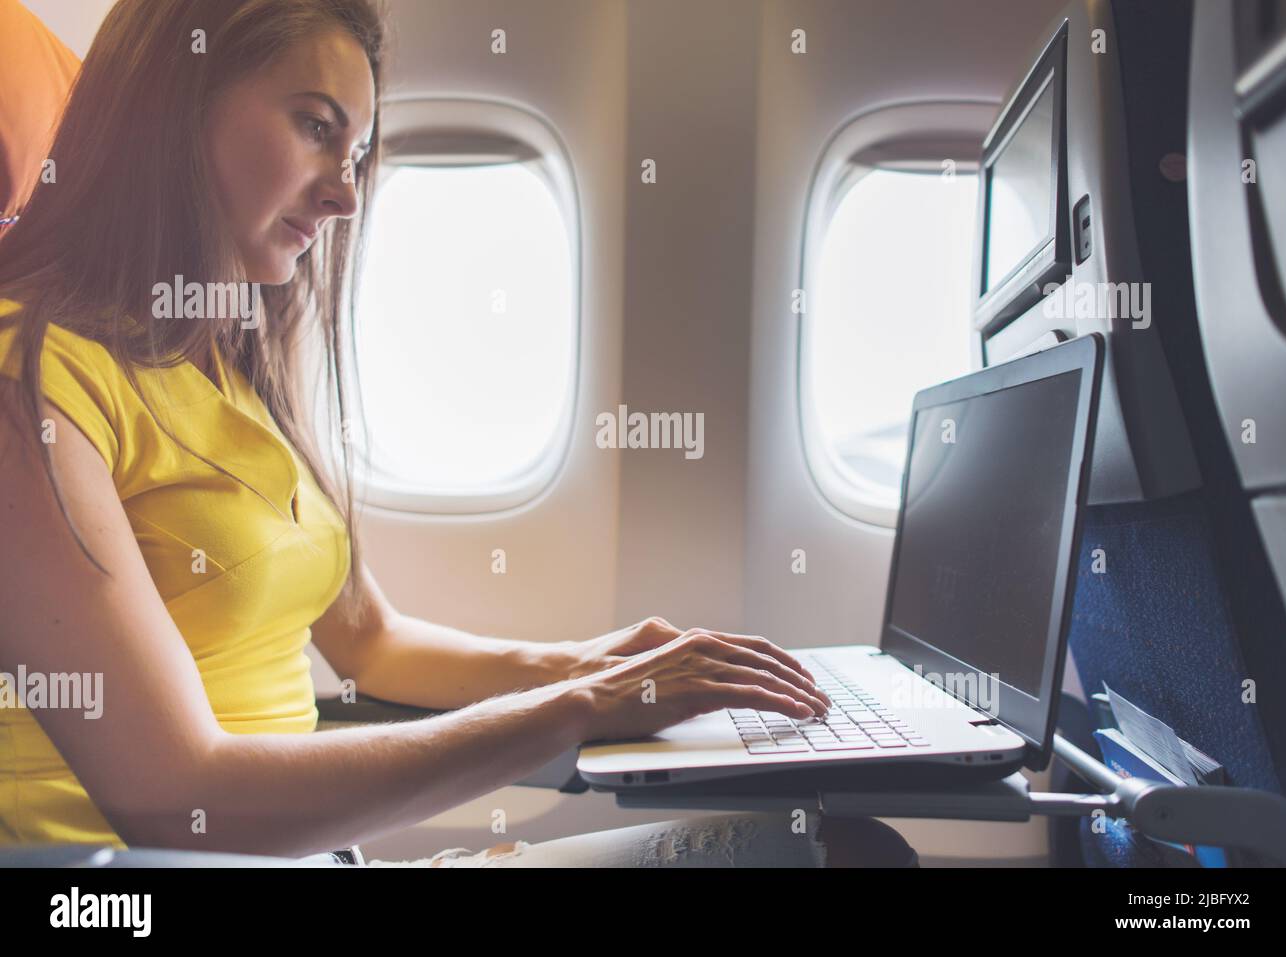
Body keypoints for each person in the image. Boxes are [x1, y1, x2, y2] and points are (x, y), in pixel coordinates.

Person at [0, 0, 913, 867]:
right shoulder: (30, 377)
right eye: (317, 127)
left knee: (838, 846)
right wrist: (579, 706)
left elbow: (368, 639)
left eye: (355, 152)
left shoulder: (225, 366)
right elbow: (175, 792)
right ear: (175, 104)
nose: (344, 197)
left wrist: (588, 660)